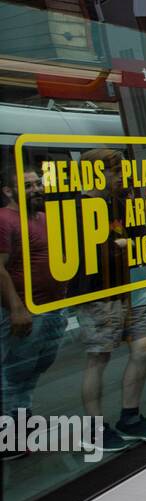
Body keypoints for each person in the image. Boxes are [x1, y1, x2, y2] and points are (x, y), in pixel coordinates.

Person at [75, 149, 146, 453]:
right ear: (97, 173)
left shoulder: (121, 202)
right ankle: (94, 426)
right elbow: (89, 254)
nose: (121, 179)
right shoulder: (80, 207)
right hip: (101, 291)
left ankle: (130, 416)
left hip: (132, 286)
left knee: (143, 348)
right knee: (98, 357)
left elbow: (142, 238)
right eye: (116, 173)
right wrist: (120, 245)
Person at [0, 167, 68, 459]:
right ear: (8, 190)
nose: (36, 189)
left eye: (38, 184)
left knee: (30, 373)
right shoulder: (4, 219)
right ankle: (8, 439)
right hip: (25, 312)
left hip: (50, 310)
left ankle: (19, 429)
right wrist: (17, 308)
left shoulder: (41, 218)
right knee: (13, 375)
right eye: (28, 186)